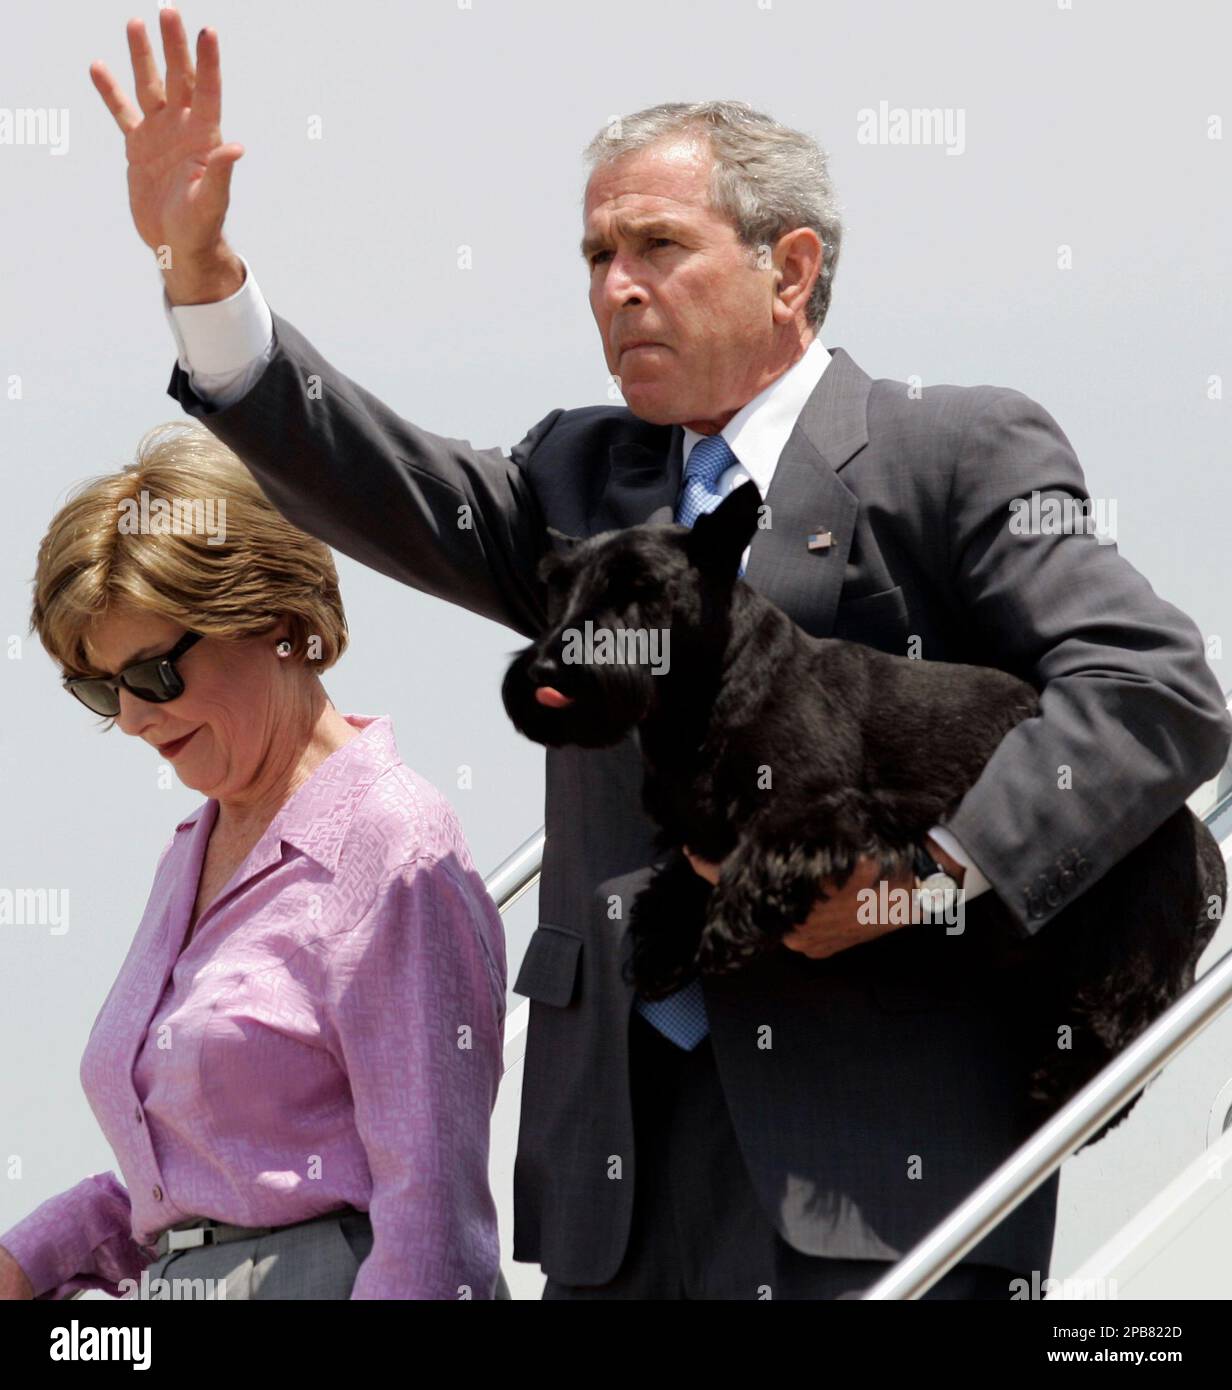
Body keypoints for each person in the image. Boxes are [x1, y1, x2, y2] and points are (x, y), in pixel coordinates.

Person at [87, 11, 1231, 1298]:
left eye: (656, 247)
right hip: (612, 1197)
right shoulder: (575, 477)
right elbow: (379, 474)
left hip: (872, 1186)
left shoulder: (948, 453)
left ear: (790, 268)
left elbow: (1148, 691)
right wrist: (205, 273)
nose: (615, 286)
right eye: (594, 255)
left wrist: (924, 876)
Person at [0, 423, 507, 1300]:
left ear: (274, 621)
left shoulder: (394, 842)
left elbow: (430, 1224)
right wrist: (31, 1256)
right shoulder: (189, 855)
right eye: (99, 686)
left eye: (155, 674)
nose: (129, 718)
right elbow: (213, 1173)